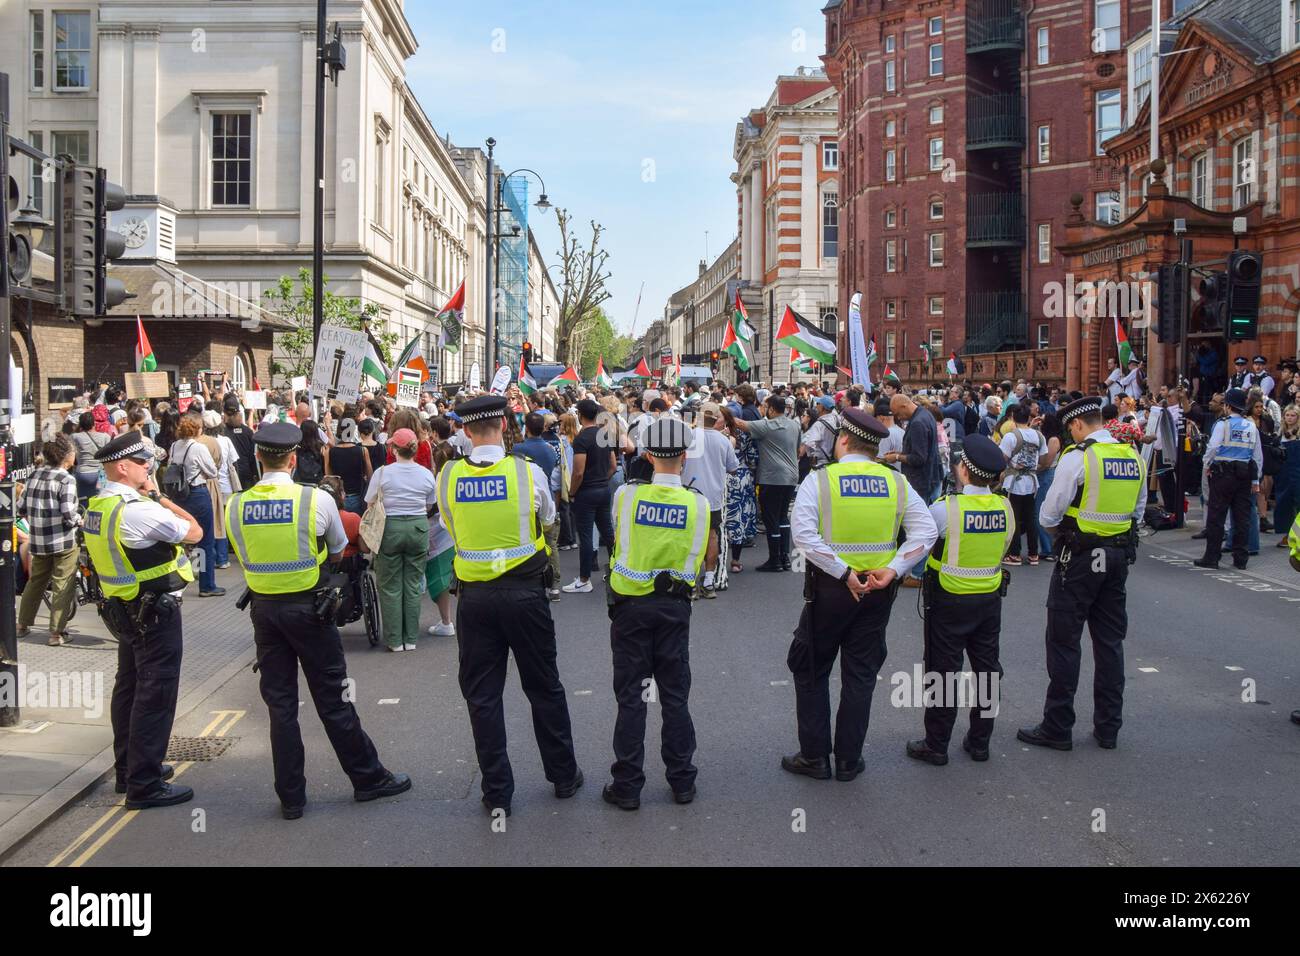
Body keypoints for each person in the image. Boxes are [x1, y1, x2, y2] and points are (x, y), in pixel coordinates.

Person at [225, 422, 411, 819]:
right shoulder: (314, 501)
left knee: (281, 707)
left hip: (264, 613)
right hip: (311, 610)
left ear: (259, 458)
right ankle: (367, 778)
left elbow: (241, 554)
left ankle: (291, 797)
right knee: (333, 699)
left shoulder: (235, 505)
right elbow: (338, 551)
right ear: (293, 460)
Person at [436, 395, 582, 816]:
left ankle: (497, 791)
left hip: (475, 600)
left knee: (483, 696)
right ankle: (563, 776)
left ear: (466, 430)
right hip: (525, 595)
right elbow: (549, 517)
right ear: (504, 425)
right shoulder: (527, 473)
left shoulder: (448, 477)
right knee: (544, 686)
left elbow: (448, 524)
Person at [782, 408, 938, 781]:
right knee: (861, 674)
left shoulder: (821, 480)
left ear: (845, 440)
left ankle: (815, 756)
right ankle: (849, 760)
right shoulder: (895, 482)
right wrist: (895, 568)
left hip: (831, 591)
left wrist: (843, 572)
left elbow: (803, 535)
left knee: (811, 667)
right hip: (878, 591)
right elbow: (926, 532)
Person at [1019, 396, 1147, 751]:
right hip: (1118, 557)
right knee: (1109, 643)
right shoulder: (1131, 456)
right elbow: (1138, 509)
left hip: (1079, 559)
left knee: (1064, 642)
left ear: (1077, 425)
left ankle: (1058, 726)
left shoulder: (1079, 457)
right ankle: (1108, 728)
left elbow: (1049, 514)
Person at [84, 432, 203, 808]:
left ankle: (128, 770)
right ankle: (145, 783)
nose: (149, 467)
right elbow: (196, 531)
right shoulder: (139, 508)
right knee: (156, 694)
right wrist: (158, 496)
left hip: (123, 611)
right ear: (123, 467)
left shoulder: (98, 507)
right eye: (142, 462)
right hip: (155, 614)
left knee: (129, 689)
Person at [602, 418, 707, 810]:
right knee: (675, 697)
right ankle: (682, 781)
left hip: (630, 608)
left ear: (647, 456)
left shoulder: (627, 497)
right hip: (675, 608)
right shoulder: (696, 502)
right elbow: (707, 557)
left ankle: (627, 787)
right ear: (684, 456)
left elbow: (617, 532)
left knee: (632, 698)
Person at [906, 435, 1014, 765]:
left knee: (944, 672)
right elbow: (1005, 547)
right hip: (989, 599)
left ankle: (936, 745)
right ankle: (979, 742)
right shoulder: (1004, 507)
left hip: (949, 600)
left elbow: (919, 546)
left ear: (964, 471)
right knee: (987, 670)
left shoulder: (946, 508)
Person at [364, 427, 438, 651]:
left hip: (391, 528)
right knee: (413, 584)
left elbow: (370, 502)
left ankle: (395, 640)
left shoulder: (383, 473)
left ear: (394, 448)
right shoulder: (425, 474)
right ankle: (411, 638)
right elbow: (429, 503)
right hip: (417, 527)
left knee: (390, 585)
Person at [16, 436, 83, 646]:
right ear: (67, 457)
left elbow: (21, 508)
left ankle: (22, 625)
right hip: (62, 541)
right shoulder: (66, 479)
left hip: (38, 540)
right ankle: (56, 633)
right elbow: (69, 514)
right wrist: (80, 520)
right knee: (62, 583)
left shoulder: (34, 474)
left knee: (36, 582)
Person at [1194, 388, 1262, 571]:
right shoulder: (1251, 426)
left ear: (1228, 406)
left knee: (1216, 516)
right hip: (1245, 474)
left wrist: (1206, 465)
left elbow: (1213, 447)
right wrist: (1256, 481)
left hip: (1223, 474)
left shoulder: (1222, 424)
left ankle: (1212, 557)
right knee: (1242, 518)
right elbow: (1257, 457)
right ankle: (1241, 559)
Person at [732, 395, 801, 572]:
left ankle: (774, 559)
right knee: (783, 516)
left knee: (771, 519)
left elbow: (740, 424)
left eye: (764, 406)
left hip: (772, 478)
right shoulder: (795, 425)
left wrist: (722, 413)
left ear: (771, 409)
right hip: (791, 476)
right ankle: (785, 557)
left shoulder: (767, 426)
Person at [680, 402, 738, 596]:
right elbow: (733, 468)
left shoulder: (689, 436)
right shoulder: (724, 441)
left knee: (689, 536)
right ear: (715, 419)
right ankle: (709, 580)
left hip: (689, 492)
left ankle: (691, 582)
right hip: (713, 495)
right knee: (711, 536)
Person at [883, 393, 941, 586]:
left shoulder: (916, 424)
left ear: (903, 406)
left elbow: (918, 458)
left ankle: (916, 574)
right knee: (928, 526)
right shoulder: (925, 414)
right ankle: (919, 570)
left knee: (920, 529)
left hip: (922, 481)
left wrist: (897, 457)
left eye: (896, 413)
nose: (897, 417)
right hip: (932, 477)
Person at [562, 398, 616, 594]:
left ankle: (584, 579)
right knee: (608, 532)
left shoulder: (582, 439)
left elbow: (578, 472)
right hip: (603, 489)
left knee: (585, 536)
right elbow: (612, 465)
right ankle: (616, 571)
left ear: (580, 415)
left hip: (587, 492)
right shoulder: (604, 434)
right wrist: (603, 479)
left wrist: (572, 492)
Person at [167, 414, 223, 596]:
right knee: (205, 539)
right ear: (197, 429)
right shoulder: (198, 448)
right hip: (198, 493)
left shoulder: (175, 446)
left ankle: (183, 577)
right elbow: (212, 471)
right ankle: (207, 585)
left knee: (182, 538)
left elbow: (170, 466)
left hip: (179, 495)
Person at [998, 404, 1046, 566]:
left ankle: (1015, 554)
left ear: (1012, 417)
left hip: (1014, 481)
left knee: (1014, 518)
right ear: (1029, 418)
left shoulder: (1011, 437)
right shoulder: (1039, 436)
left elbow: (1002, 459)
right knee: (1031, 517)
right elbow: (1044, 458)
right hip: (1032, 481)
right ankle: (1034, 553)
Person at [325, 418, 371, 515]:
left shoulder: (330, 452)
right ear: (353, 430)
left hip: (338, 498)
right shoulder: (363, 451)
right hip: (358, 497)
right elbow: (370, 475)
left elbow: (328, 476)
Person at [70, 411, 109, 504]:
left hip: (82, 472)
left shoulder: (75, 437)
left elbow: (71, 453)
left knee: (82, 501)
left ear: (80, 424)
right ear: (94, 423)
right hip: (99, 473)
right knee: (99, 501)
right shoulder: (105, 437)